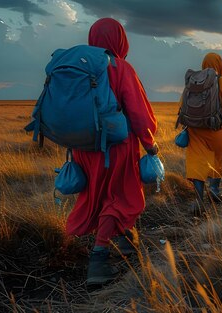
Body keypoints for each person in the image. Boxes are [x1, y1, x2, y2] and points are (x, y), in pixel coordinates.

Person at [65, 18, 159, 287]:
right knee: (118, 196)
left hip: (85, 149)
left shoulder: (79, 69)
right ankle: (99, 259)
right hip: (117, 148)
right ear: (120, 40)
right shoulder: (121, 68)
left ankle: (126, 240)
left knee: (98, 193)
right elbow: (139, 114)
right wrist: (150, 143)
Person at [184, 52, 222, 213]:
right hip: (216, 129)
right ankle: (214, 189)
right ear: (220, 65)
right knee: (217, 159)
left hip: (195, 129)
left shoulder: (193, 81)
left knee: (196, 161)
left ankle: (199, 198)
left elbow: (183, 104)